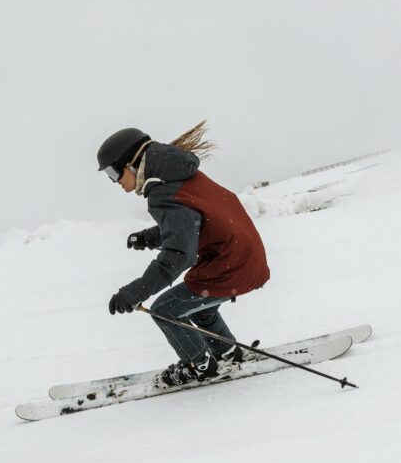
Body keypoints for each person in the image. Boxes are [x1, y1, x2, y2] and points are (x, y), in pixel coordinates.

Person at [96, 121, 270, 386]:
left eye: (112, 172)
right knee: (200, 306)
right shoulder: (177, 175)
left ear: (129, 163)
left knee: (165, 310)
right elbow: (191, 222)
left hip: (231, 266)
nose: (115, 181)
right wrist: (149, 237)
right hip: (246, 259)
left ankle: (199, 365)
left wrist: (134, 292)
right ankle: (227, 351)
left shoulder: (163, 190)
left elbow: (179, 254)